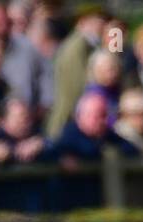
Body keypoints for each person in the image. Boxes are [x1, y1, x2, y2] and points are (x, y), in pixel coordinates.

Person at [46, 3, 106, 137]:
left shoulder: (88, 44)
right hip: (69, 120)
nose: (102, 24)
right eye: (97, 19)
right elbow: (78, 87)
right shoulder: (76, 47)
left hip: (80, 118)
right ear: (82, 21)